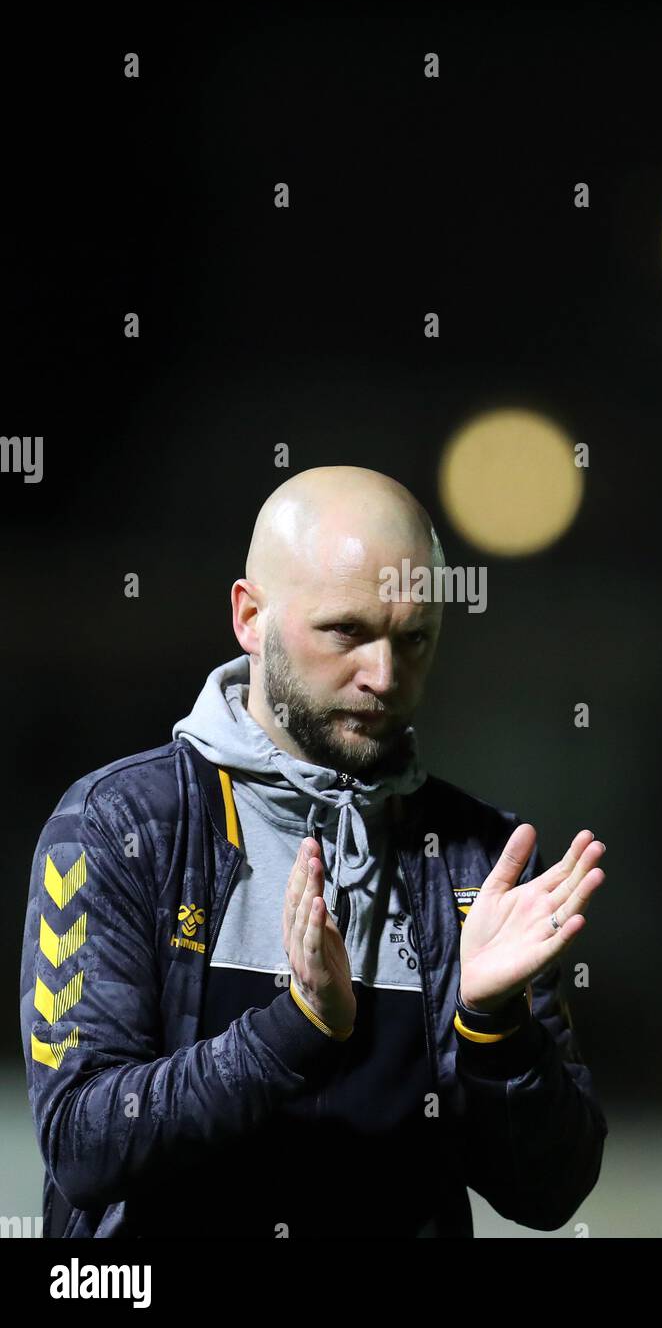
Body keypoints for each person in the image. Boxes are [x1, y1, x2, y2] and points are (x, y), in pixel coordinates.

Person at [19, 465, 608, 1238]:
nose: (385, 676)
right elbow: (82, 1143)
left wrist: (494, 1028)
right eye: (348, 632)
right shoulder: (120, 826)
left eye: (414, 639)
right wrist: (294, 1029)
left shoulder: (481, 865)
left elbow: (550, 1192)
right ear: (250, 617)